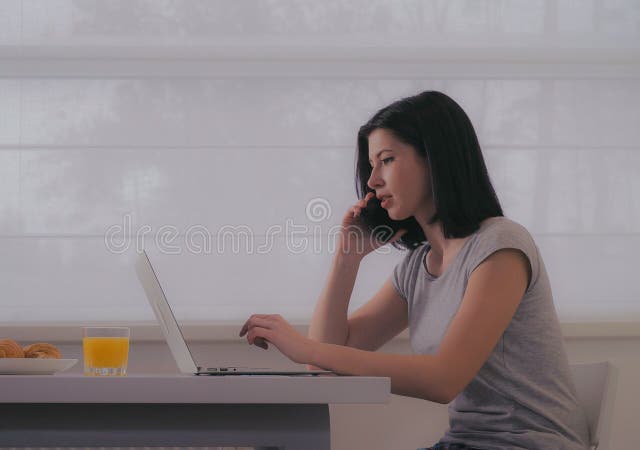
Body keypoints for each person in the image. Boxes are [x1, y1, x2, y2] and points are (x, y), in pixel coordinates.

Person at [239, 91, 591, 450]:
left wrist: (303, 348)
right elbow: (323, 366)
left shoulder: (500, 246)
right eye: (371, 165)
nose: (373, 180)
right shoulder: (417, 269)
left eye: (386, 160)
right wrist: (347, 258)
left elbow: (443, 379)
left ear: (434, 158)